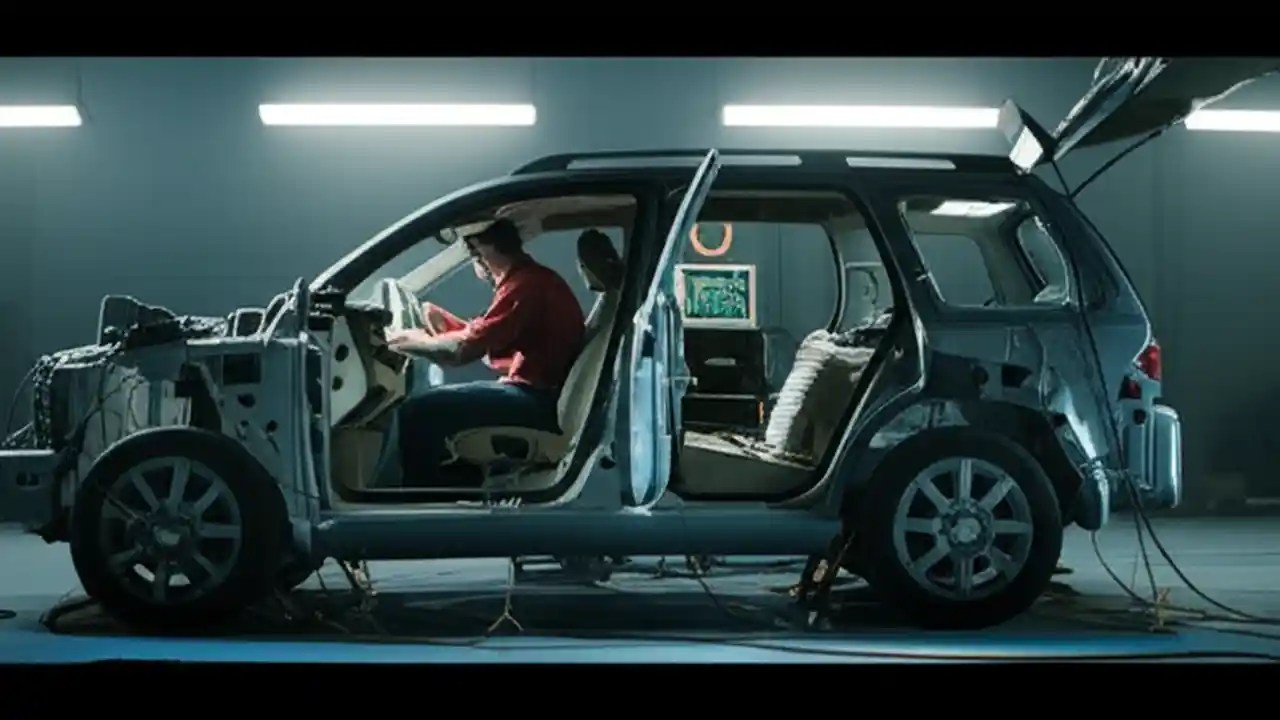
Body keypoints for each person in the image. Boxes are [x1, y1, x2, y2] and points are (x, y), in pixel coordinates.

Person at [383, 218, 586, 486]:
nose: (475, 262)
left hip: (538, 400)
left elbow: (461, 352)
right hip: (540, 392)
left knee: (418, 412)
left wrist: (403, 341)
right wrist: (451, 329)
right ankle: (455, 489)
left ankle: (424, 505)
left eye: (474, 251)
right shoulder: (531, 280)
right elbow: (492, 337)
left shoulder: (525, 286)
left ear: (482, 247)